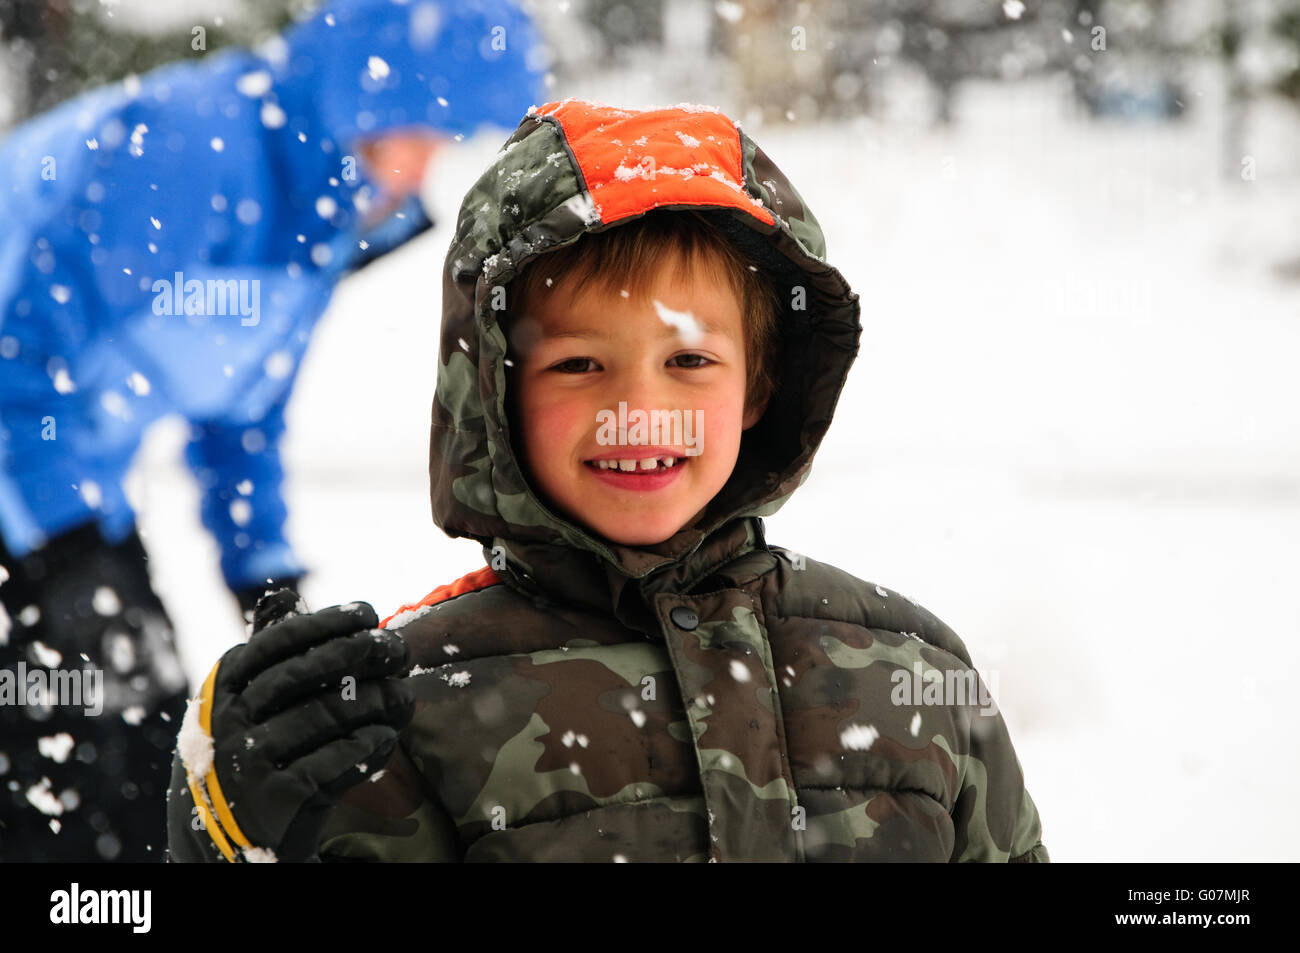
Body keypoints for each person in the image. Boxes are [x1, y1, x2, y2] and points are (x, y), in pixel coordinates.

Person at [165, 98, 1049, 863]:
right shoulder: (405, 708)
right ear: (495, 392)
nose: (638, 407)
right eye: (581, 364)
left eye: (690, 358)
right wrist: (228, 825)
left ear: (762, 385)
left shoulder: (911, 672)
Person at [0, 0, 545, 861]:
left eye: (438, 140)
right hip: (36, 475)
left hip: (65, 481)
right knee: (63, 743)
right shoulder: (191, 148)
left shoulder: (319, 215)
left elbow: (241, 406)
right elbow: (25, 347)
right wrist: (63, 546)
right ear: (354, 100)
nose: (417, 164)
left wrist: (263, 573)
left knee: (146, 743)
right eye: (408, 129)